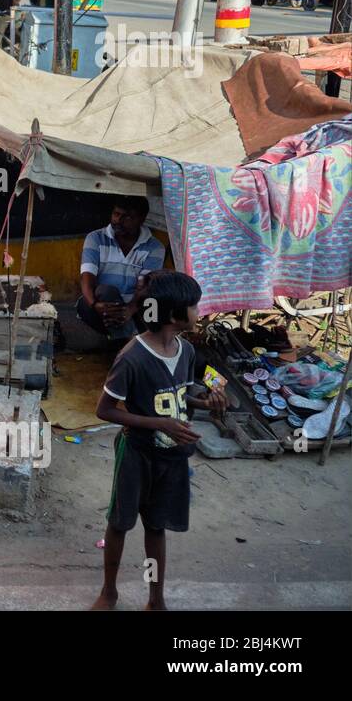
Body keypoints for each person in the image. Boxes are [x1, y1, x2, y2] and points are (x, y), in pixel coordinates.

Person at [91, 270, 227, 610]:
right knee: (119, 525)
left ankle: (156, 599)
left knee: (156, 528)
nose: (200, 312)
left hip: (172, 459)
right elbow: (105, 410)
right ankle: (109, 592)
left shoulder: (185, 351)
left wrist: (204, 402)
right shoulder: (132, 358)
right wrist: (159, 424)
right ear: (173, 315)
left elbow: (178, 395)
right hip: (136, 454)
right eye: (194, 307)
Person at [77, 196, 166, 342]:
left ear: (142, 219)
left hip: (136, 307)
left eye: (127, 217)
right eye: (116, 214)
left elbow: (145, 286)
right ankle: (128, 341)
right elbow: (87, 276)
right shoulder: (96, 238)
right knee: (105, 291)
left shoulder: (155, 247)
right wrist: (95, 304)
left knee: (154, 302)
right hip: (104, 306)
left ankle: (129, 337)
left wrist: (130, 310)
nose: (118, 220)